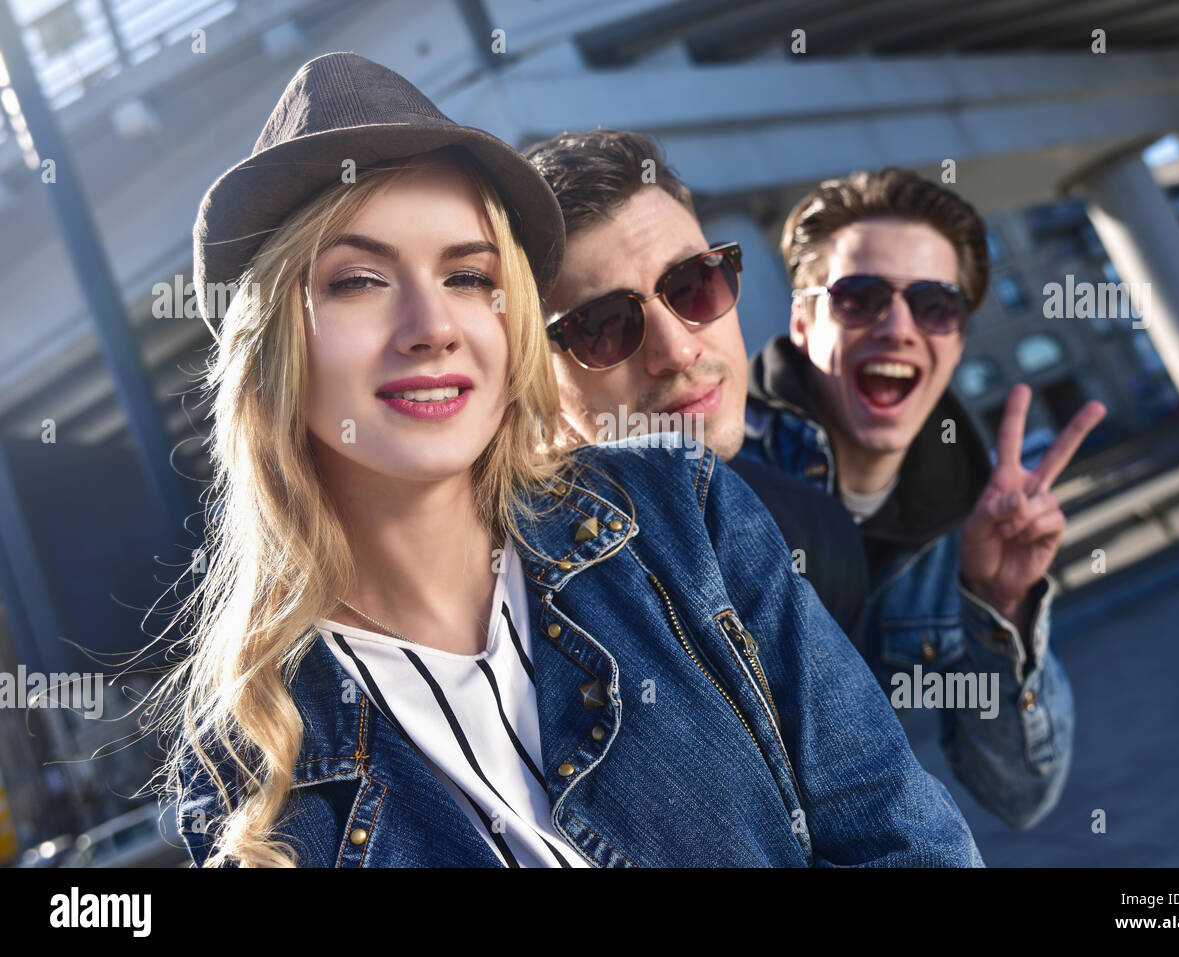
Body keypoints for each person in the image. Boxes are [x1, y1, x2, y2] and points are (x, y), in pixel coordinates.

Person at [150, 52, 982, 867]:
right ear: (274, 351)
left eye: (469, 276)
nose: (432, 325)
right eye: (359, 279)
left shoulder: (682, 512)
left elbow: (903, 839)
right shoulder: (245, 769)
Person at [526, 132, 1102, 829]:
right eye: (602, 326)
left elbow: (1009, 792)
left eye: (692, 285)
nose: (677, 348)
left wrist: (998, 605)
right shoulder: (509, 595)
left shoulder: (931, 520)